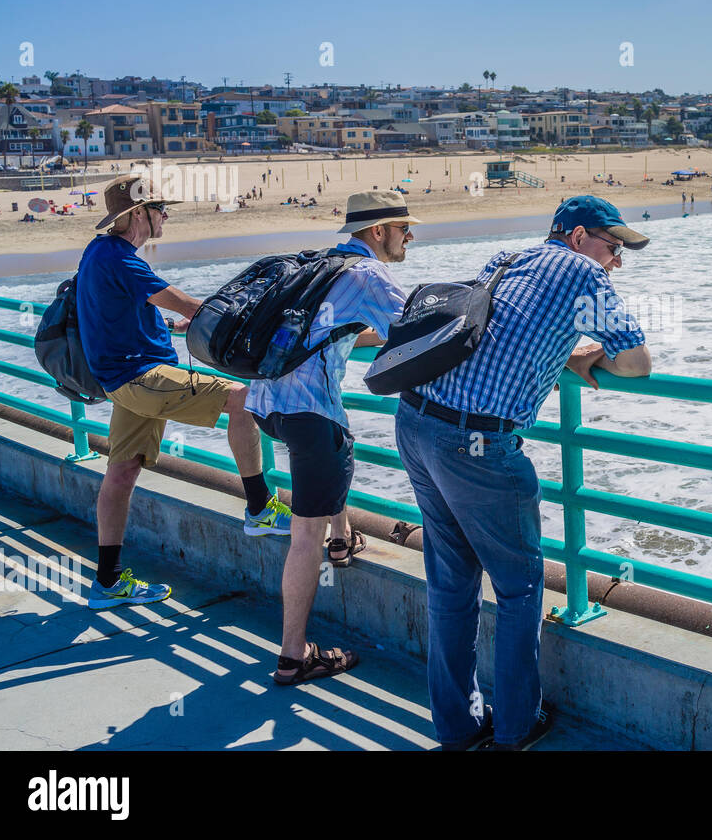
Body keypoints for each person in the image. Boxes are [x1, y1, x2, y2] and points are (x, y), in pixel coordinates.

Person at [394, 195, 651, 750]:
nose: (618, 261)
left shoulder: (509, 256)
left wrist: (564, 354)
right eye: (614, 246)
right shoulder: (581, 269)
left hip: (416, 421)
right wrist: (587, 359)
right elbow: (636, 362)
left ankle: (458, 728)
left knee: (451, 580)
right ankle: (514, 726)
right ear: (579, 236)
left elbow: (503, 332)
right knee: (518, 586)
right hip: (476, 444)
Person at [76, 175, 291, 611]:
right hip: (140, 379)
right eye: (159, 209)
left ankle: (108, 582)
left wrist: (168, 327)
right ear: (138, 213)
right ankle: (259, 508)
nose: (166, 215)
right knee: (242, 398)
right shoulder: (123, 260)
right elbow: (192, 306)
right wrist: (261, 324)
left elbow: (131, 310)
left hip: (122, 381)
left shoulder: (101, 253)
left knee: (121, 473)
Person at [248, 191, 416, 684]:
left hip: (266, 404)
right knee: (305, 535)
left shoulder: (318, 264)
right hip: (308, 412)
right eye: (404, 227)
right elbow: (422, 327)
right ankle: (293, 656)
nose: (410, 236)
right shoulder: (368, 274)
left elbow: (330, 330)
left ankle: (341, 541)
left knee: (338, 450)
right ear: (378, 231)